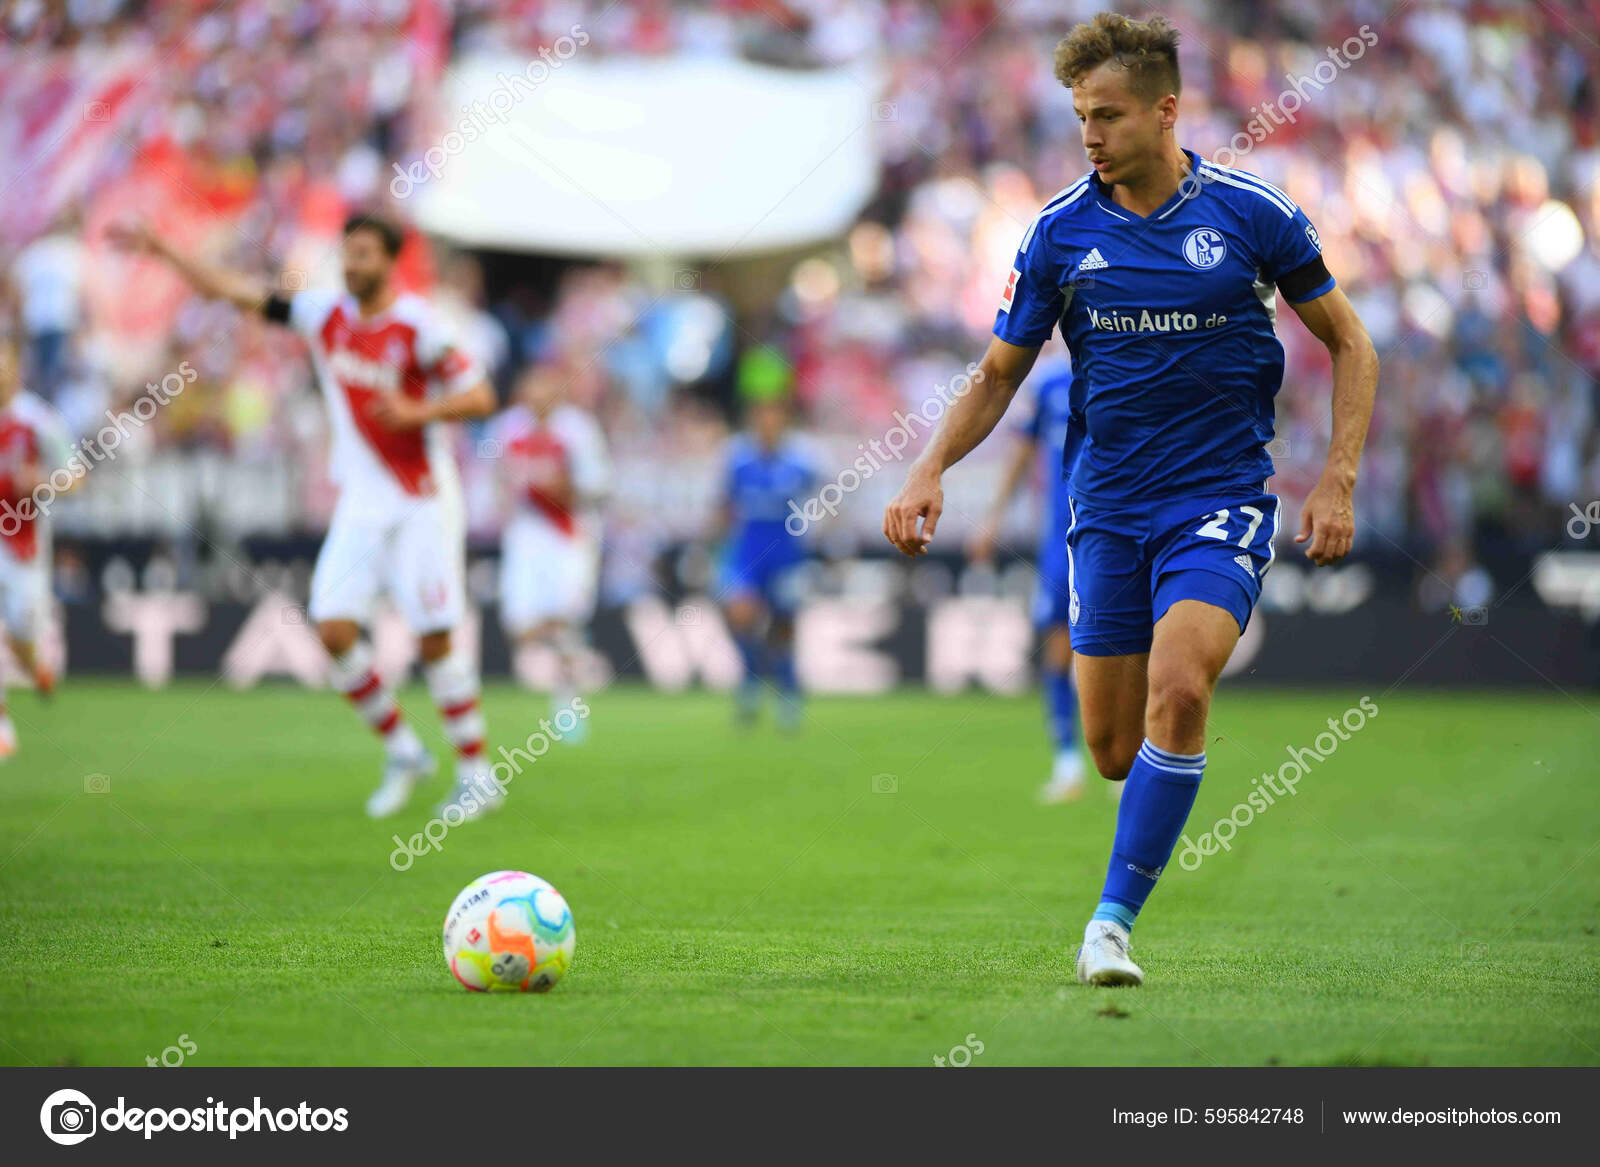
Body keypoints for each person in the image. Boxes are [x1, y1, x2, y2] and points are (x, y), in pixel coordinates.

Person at [883, 13, 1378, 986]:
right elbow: (994, 375)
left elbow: (1351, 343)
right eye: (1079, 116)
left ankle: (1108, 925)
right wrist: (927, 465)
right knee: (1113, 750)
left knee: (1182, 689)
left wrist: (1337, 474)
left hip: (1219, 497)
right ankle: (1123, 856)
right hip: (1104, 510)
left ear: (1165, 109)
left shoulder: (1251, 215)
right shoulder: (1061, 231)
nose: (1090, 134)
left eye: (1107, 115)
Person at [111, 214, 500, 819]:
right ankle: (403, 750)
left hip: (422, 497)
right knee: (334, 630)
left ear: (390, 261)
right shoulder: (326, 314)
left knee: (434, 638)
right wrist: (165, 247)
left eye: (365, 254)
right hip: (363, 500)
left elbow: (482, 398)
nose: (352, 264)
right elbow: (232, 291)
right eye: (348, 253)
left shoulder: (421, 326)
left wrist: (419, 412)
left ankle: (477, 773)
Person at [967, 358, 1087, 803]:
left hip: (1120, 530)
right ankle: (1068, 763)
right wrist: (994, 516)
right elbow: (1023, 449)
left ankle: (1132, 764)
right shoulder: (1050, 383)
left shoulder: (1128, 358)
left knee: (1131, 647)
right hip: (1061, 536)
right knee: (1056, 647)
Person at [489, 363, 609, 737]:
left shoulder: (579, 430)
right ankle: (574, 657)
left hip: (567, 532)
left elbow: (598, 488)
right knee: (519, 625)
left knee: (565, 615)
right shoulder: (507, 427)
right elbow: (494, 476)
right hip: (526, 532)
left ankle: (568, 704)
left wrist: (564, 489)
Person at [715, 396, 816, 729]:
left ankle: (788, 691)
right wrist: (712, 545)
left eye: (775, 416)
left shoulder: (801, 462)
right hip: (747, 550)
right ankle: (752, 678)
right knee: (739, 614)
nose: (768, 423)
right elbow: (723, 505)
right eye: (762, 417)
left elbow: (829, 497)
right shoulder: (737, 460)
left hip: (786, 552)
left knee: (783, 626)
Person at [0, 332, 70, 757]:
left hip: (24, 544)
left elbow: (77, 475)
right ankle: (3, 726)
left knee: (23, 630)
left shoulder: (37, 419)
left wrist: (42, 483)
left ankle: (36, 667)